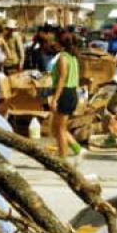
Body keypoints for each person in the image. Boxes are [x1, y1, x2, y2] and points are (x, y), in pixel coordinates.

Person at [51, 32, 86, 162]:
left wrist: (55, 97)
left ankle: (62, 157)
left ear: (60, 43)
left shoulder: (63, 57)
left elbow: (62, 78)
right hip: (72, 92)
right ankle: (77, 148)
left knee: (60, 129)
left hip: (65, 92)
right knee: (59, 127)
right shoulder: (74, 57)